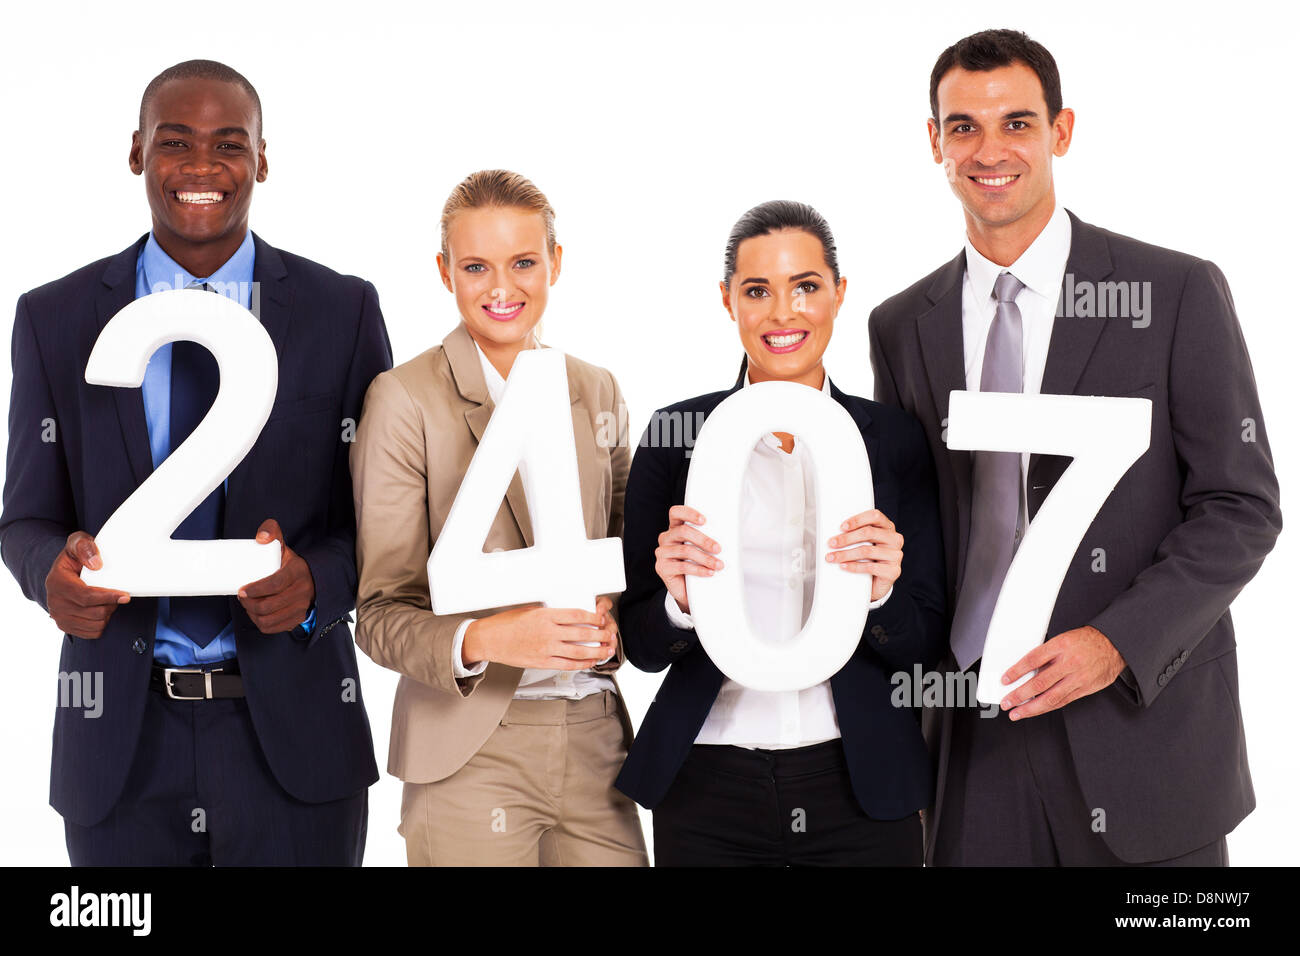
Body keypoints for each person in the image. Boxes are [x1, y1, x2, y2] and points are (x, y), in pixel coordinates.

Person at [868, 28, 1283, 866]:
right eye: (964, 127)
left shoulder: (1173, 292)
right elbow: (915, 517)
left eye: (1017, 123)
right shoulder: (902, 324)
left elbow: (1240, 507)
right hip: (971, 737)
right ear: (934, 142)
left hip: (1141, 731)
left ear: (1060, 131)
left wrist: (1116, 643)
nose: (990, 151)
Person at [0, 60, 391, 865]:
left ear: (262, 159)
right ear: (137, 152)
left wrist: (316, 584)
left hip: (294, 741)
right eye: (176, 142)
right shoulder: (55, 316)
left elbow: (384, 522)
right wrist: (50, 575)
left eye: (229, 144)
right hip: (119, 743)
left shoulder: (341, 310)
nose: (203, 166)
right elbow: (26, 516)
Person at [614, 200, 947, 866]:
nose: (783, 313)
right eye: (757, 291)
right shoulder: (676, 435)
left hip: (860, 781)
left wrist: (882, 595)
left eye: (806, 286)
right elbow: (641, 647)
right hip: (707, 782)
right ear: (728, 300)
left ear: (839, 293)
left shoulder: (895, 439)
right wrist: (678, 604)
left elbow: (927, 644)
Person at [350, 169, 648, 866]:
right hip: (469, 747)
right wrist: (489, 638)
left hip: (596, 736)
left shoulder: (596, 388)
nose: (501, 288)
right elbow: (379, 613)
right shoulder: (404, 399)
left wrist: (613, 624)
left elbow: (628, 559)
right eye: (476, 267)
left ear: (556, 262)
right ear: (444, 272)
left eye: (523, 263)